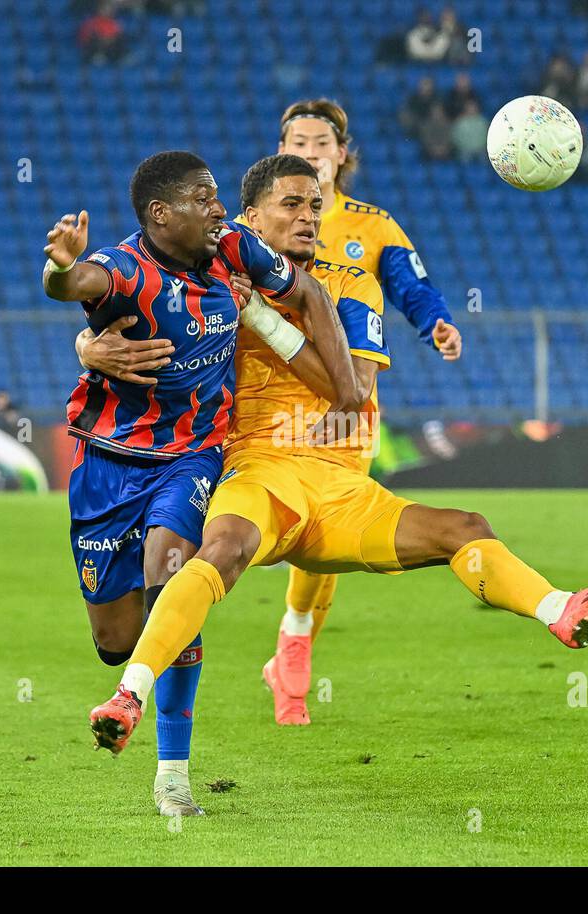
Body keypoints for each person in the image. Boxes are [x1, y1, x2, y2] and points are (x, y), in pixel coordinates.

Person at [82, 156, 588, 757]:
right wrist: (88, 345)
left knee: (465, 528)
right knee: (220, 550)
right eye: (291, 205)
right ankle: (129, 695)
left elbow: (351, 390)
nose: (309, 217)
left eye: (315, 205)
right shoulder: (208, 278)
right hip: (257, 470)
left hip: (341, 486)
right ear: (250, 217)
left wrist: (260, 314)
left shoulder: (350, 283)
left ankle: (562, 610)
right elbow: (127, 303)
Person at [44, 150, 359, 814]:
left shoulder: (234, 249)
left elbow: (308, 291)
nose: (219, 209)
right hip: (107, 464)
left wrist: (348, 391)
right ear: (161, 214)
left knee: (174, 578)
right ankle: (140, 663)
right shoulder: (124, 269)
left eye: (218, 196)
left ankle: (172, 776)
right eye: (203, 198)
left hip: (192, 458)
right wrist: (61, 270)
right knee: (116, 641)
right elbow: (73, 285)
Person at [248, 99, 462, 724]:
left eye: (322, 143)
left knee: (327, 527)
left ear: (342, 154)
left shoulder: (372, 225)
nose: (311, 152)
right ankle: (283, 645)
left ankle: (294, 635)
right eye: (299, 142)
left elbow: (410, 285)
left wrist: (436, 323)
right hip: (264, 403)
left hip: (345, 403)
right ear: (282, 150)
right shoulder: (255, 223)